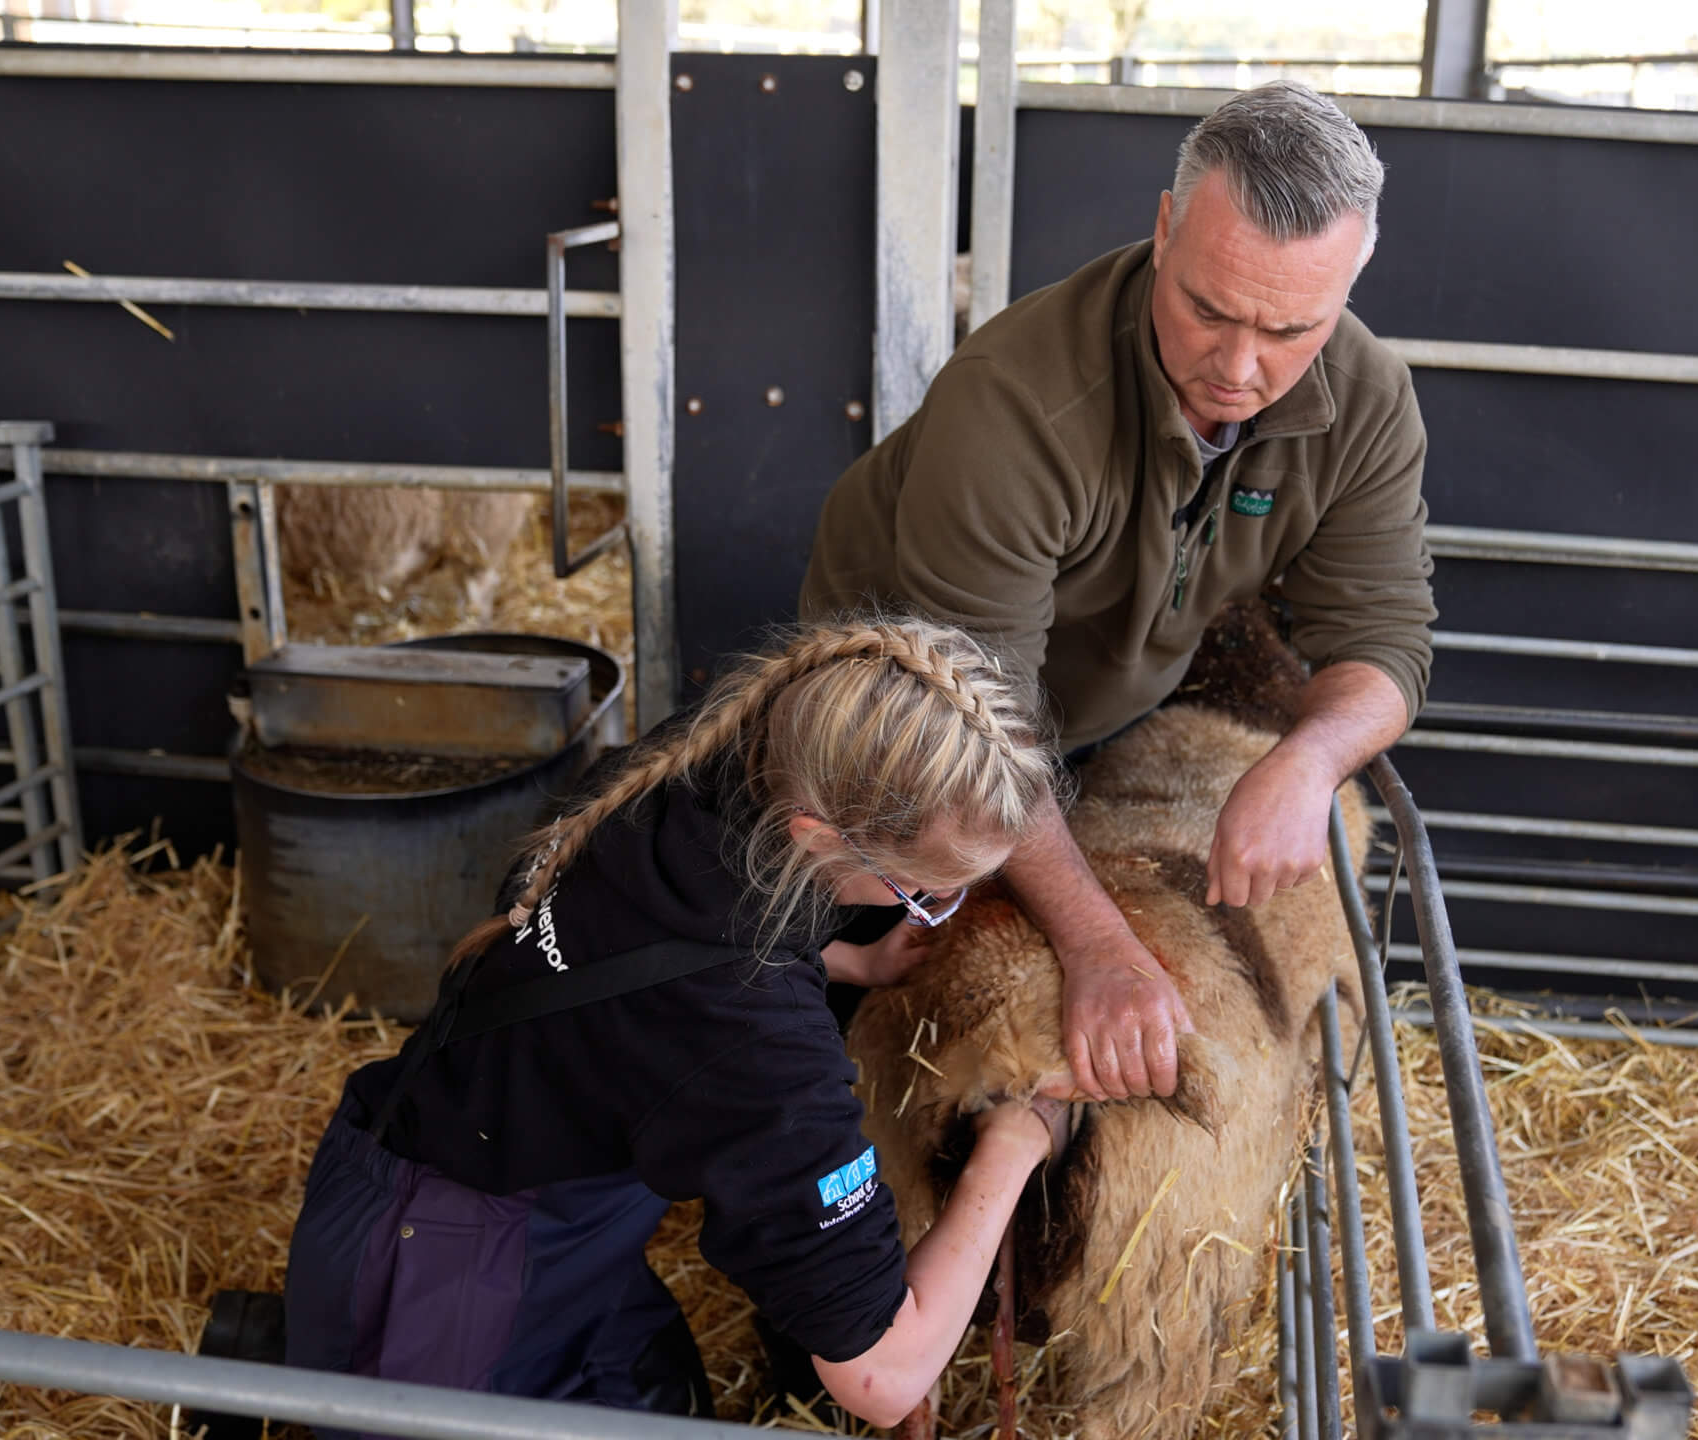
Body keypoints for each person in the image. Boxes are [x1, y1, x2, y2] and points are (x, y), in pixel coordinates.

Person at [801, 81, 1435, 1105]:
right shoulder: (1014, 404)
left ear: (1351, 279)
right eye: (1207, 309)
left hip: (1090, 710)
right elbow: (978, 725)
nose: (1238, 367)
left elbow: (1387, 634)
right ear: (1165, 228)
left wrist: (1311, 760)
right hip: (899, 727)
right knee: (850, 1011)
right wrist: (1097, 942)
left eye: (1290, 328)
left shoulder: (1365, 399)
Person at [281, 616, 1071, 1431]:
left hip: (500, 1181)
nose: (937, 907)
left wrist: (848, 962)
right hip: (438, 1269)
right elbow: (884, 1375)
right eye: (923, 893)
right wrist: (1016, 1142)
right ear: (816, 836)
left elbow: (648, 959)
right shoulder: (757, 1041)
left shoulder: (713, 753)